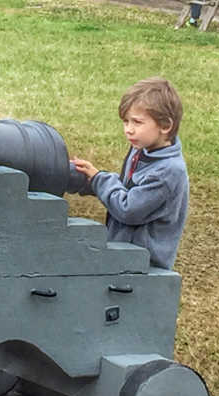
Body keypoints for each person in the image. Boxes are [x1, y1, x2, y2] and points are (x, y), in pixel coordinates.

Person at [69, 77, 189, 270]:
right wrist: (89, 178)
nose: (128, 130)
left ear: (165, 126)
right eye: (125, 122)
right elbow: (127, 188)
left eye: (137, 122)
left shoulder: (168, 172)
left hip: (142, 264)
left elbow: (128, 208)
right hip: (124, 254)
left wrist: (99, 179)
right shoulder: (142, 149)